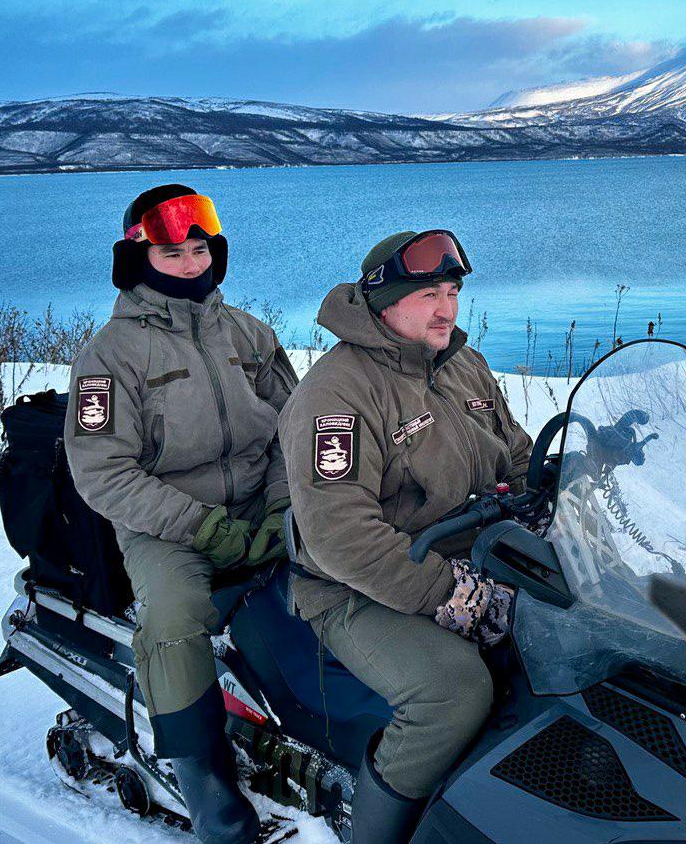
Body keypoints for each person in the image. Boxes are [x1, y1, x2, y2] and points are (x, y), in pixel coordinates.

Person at [279, 230, 532, 843]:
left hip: (470, 559)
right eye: (428, 294)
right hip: (356, 588)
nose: (446, 308)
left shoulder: (460, 364)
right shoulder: (337, 392)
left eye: (452, 291)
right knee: (454, 693)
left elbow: (520, 456)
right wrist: (449, 594)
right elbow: (339, 535)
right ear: (384, 303)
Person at [64, 184, 298, 844]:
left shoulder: (249, 332)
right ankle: (212, 801)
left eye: (200, 249)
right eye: (174, 253)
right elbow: (102, 472)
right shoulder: (106, 358)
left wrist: (283, 501)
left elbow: (293, 427)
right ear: (139, 259)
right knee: (173, 621)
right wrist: (206, 529)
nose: (192, 264)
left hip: (260, 496)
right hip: (165, 522)